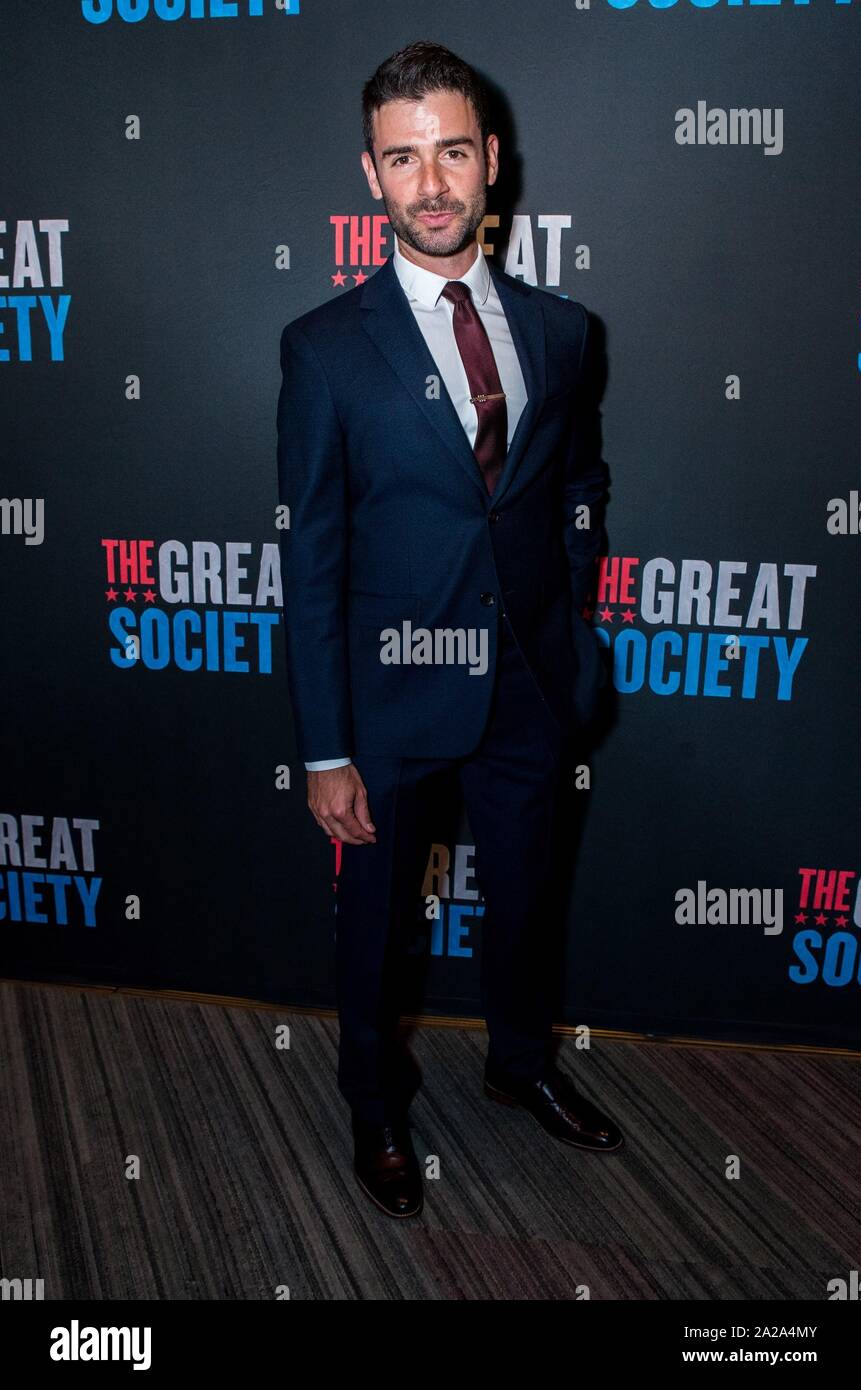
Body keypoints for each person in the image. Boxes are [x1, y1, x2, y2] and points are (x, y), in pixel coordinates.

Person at [276, 39, 623, 1220]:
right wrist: (326, 747)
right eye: (403, 158)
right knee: (375, 930)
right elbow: (312, 555)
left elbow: (578, 481)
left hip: (528, 680)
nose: (432, 183)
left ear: (492, 162)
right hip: (385, 701)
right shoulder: (323, 350)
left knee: (526, 901)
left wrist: (569, 618)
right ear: (371, 176)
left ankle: (521, 1065)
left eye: (453, 153)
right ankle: (376, 1105)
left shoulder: (565, 332)